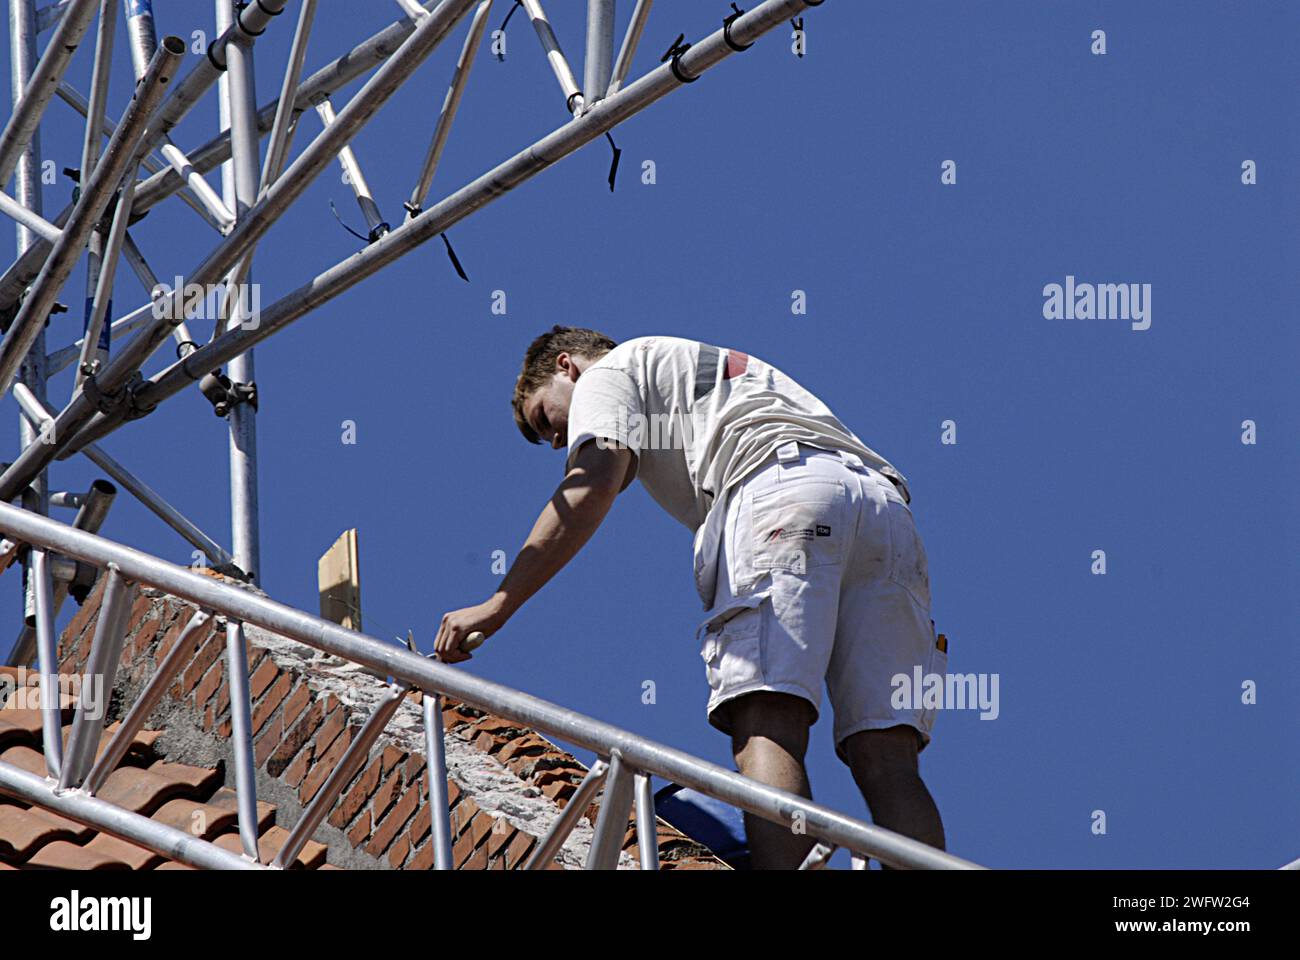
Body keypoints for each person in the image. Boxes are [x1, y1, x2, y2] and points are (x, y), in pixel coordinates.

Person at [434, 326, 946, 868]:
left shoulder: (609, 373)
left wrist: (499, 603)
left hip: (779, 494)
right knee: (886, 753)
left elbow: (592, 484)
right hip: (884, 511)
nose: (558, 441)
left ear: (567, 367)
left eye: (545, 420)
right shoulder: (688, 370)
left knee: (767, 715)